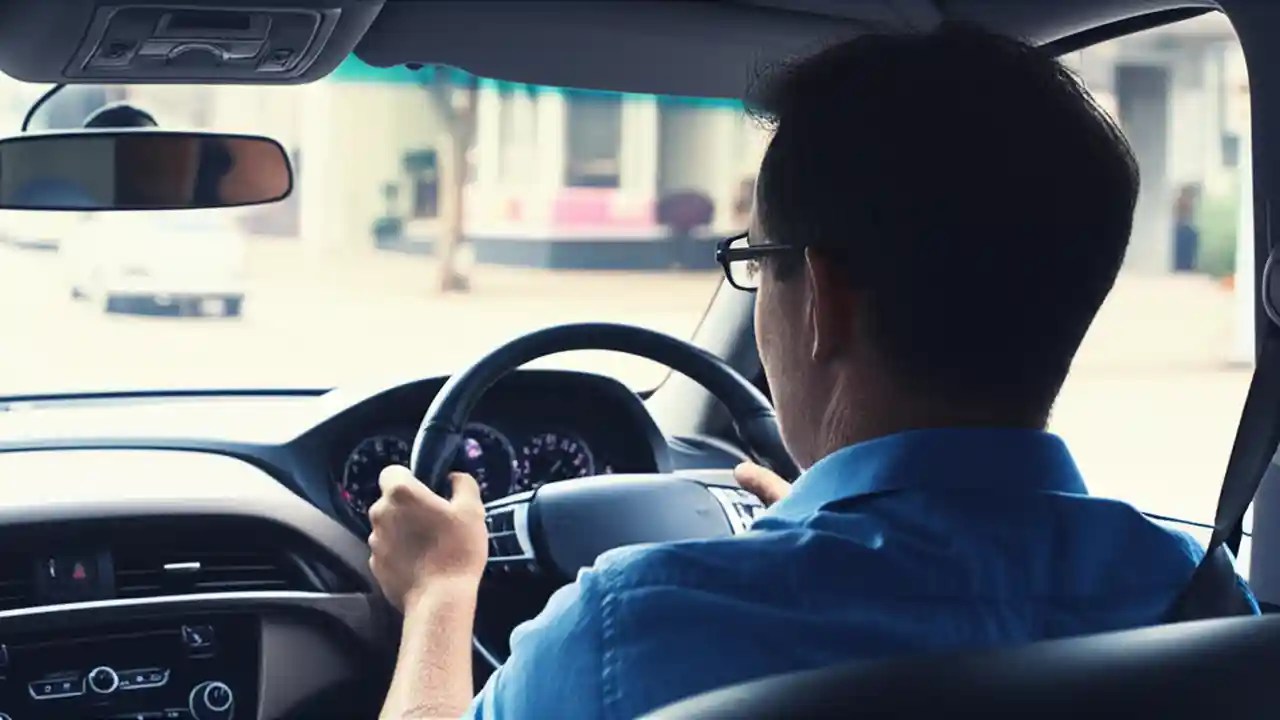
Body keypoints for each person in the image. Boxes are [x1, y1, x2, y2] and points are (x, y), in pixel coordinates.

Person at [365, 25, 1258, 719]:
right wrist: (820, 512)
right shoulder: (1202, 603)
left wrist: (441, 591)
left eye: (756, 259)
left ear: (821, 298)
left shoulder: (634, 625)